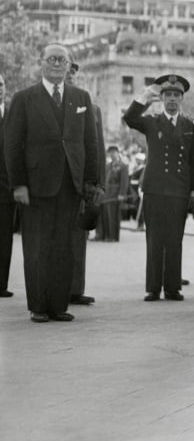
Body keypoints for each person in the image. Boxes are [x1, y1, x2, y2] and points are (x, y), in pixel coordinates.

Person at [4, 42, 100, 322]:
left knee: (63, 247)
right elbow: (12, 145)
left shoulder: (81, 98)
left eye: (62, 60)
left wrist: (91, 183)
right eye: (52, 59)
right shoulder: (24, 99)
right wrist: (18, 184)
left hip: (70, 185)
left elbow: (90, 144)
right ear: (40, 63)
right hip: (35, 187)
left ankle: (59, 306)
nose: (57, 64)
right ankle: (38, 306)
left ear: (70, 65)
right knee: (36, 247)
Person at [124, 74, 194, 302]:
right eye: (167, 95)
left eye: (176, 96)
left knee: (175, 239)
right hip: (154, 189)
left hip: (178, 190)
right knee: (154, 239)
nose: (172, 100)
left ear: (182, 99)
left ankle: (172, 287)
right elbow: (129, 118)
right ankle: (153, 288)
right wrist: (147, 95)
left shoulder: (190, 125)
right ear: (162, 98)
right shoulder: (151, 121)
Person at [66, 61, 104, 306]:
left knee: (79, 238)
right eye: (65, 70)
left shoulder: (91, 107)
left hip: (82, 184)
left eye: (72, 72)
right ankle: (52, 290)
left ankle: (75, 290)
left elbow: (97, 147)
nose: (68, 75)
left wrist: (98, 182)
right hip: (54, 181)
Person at [97, 145, 131, 242]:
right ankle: (103, 235)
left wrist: (122, 194)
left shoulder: (123, 166)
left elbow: (125, 181)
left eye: (113, 152)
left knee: (113, 216)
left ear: (117, 152)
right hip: (106, 194)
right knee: (104, 215)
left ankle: (112, 236)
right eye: (110, 152)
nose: (112, 154)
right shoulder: (108, 165)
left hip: (115, 194)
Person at [0, 74, 14, 298]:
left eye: (1, 84)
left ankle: (1, 284)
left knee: (4, 237)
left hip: (6, 187)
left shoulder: (14, 111)